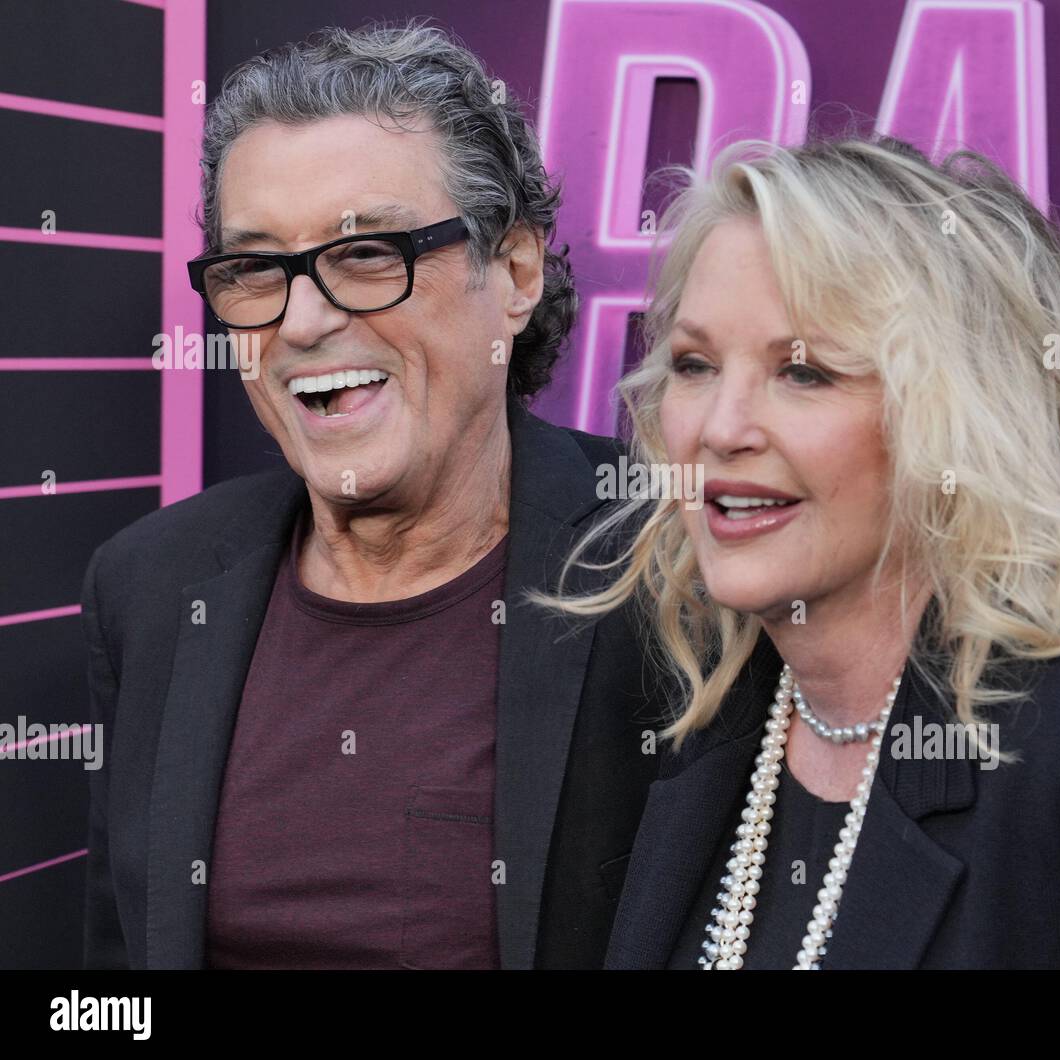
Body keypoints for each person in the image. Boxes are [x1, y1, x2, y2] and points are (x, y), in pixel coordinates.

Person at [539, 135, 1060, 969]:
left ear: (959, 416)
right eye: (694, 364)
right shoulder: (696, 725)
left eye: (804, 373)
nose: (719, 428)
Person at [80, 20, 666, 970]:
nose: (303, 320)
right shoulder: (148, 585)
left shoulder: (669, 565)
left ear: (514, 274)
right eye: (255, 269)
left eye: (368, 255)